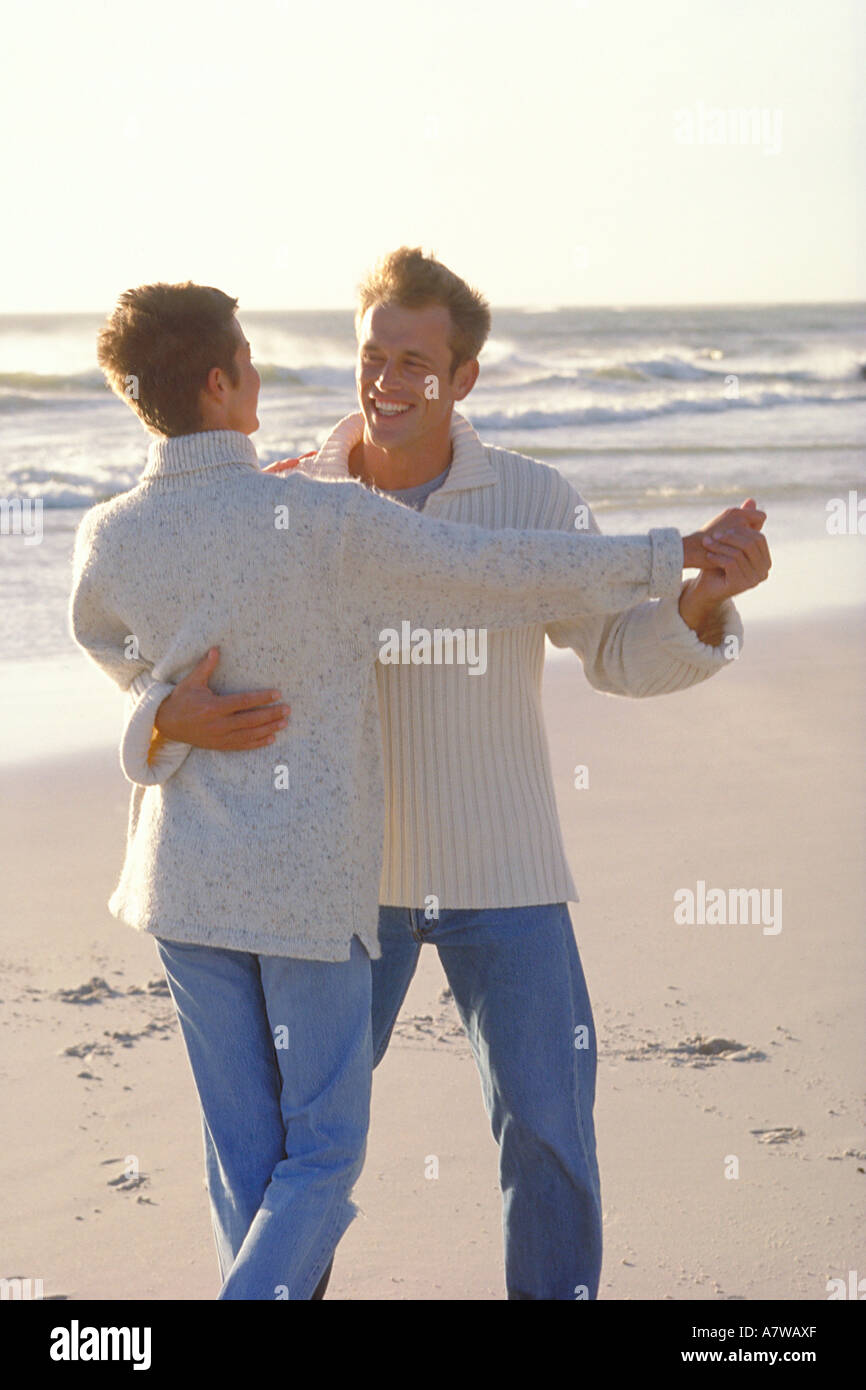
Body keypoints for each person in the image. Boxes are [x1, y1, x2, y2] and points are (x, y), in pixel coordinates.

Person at [120, 253, 771, 1299]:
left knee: (548, 1129)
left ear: (461, 380)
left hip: (501, 867)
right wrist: (158, 719)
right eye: (370, 355)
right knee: (294, 1150)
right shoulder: (284, 499)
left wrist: (696, 605)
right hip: (338, 887)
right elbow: (169, 659)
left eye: (413, 363)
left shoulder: (530, 496)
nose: (383, 380)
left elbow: (613, 653)